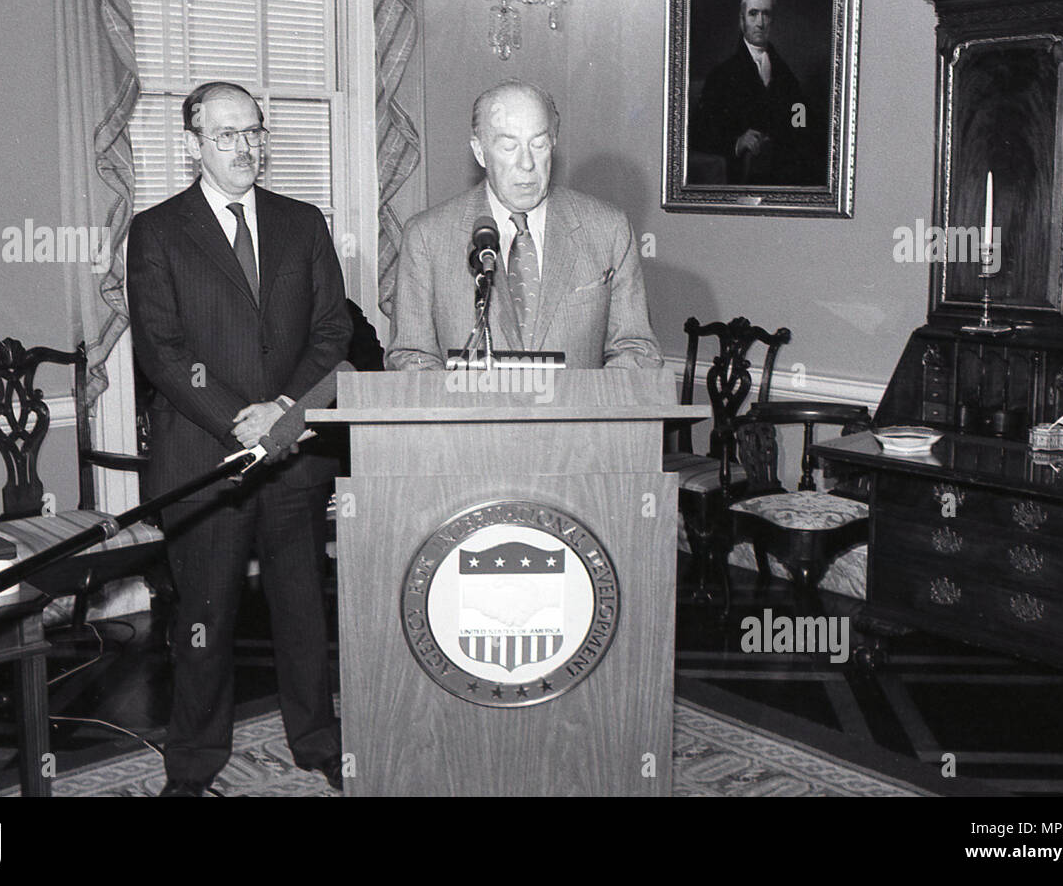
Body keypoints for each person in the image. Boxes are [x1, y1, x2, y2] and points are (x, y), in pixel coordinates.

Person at [127, 81, 351, 795]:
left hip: (292, 456)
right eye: (226, 134)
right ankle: (193, 761)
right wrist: (238, 418)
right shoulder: (158, 231)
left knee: (302, 611)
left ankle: (318, 742)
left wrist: (282, 411)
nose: (246, 147)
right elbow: (161, 352)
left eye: (254, 131)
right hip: (204, 458)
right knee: (204, 619)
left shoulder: (302, 222)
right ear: (192, 143)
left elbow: (333, 333)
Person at [385, 80, 663, 371]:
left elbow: (637, 350)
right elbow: (409, 355)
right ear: (480, 152)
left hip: (576, 414)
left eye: (539, 144)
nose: (527, 163)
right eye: (508, 146)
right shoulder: (426, 237)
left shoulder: (609, 229)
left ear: (553, 144)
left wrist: (589, 408)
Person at [691, 0, 817, 185]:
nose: (760, 22)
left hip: (783, 169)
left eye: (766, 14)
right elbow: (701, 131)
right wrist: (737, 142)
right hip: (741, 175)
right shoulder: (721, 75)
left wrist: (797, 130)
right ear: (742, 21)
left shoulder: (784, 72)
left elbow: (799, 110)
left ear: (772, 20)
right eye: (753, 14)